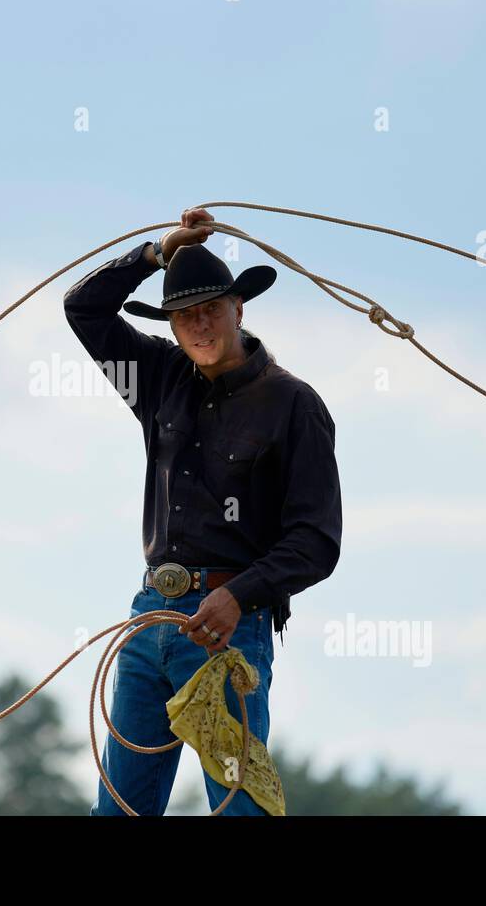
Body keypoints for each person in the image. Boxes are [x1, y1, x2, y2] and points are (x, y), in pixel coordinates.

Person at [62, 207, 343, 815]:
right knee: (118, 811)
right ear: (172, 324)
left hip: (228, 629)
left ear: (238, 309)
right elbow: (82, 309)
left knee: (238, 807)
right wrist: (152, 256)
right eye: (185, 316)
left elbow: (316, 541)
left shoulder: (293, 404)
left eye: (211, 308)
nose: (199, 325)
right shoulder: (160, 377)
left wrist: (240, 593)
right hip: (148, 619)